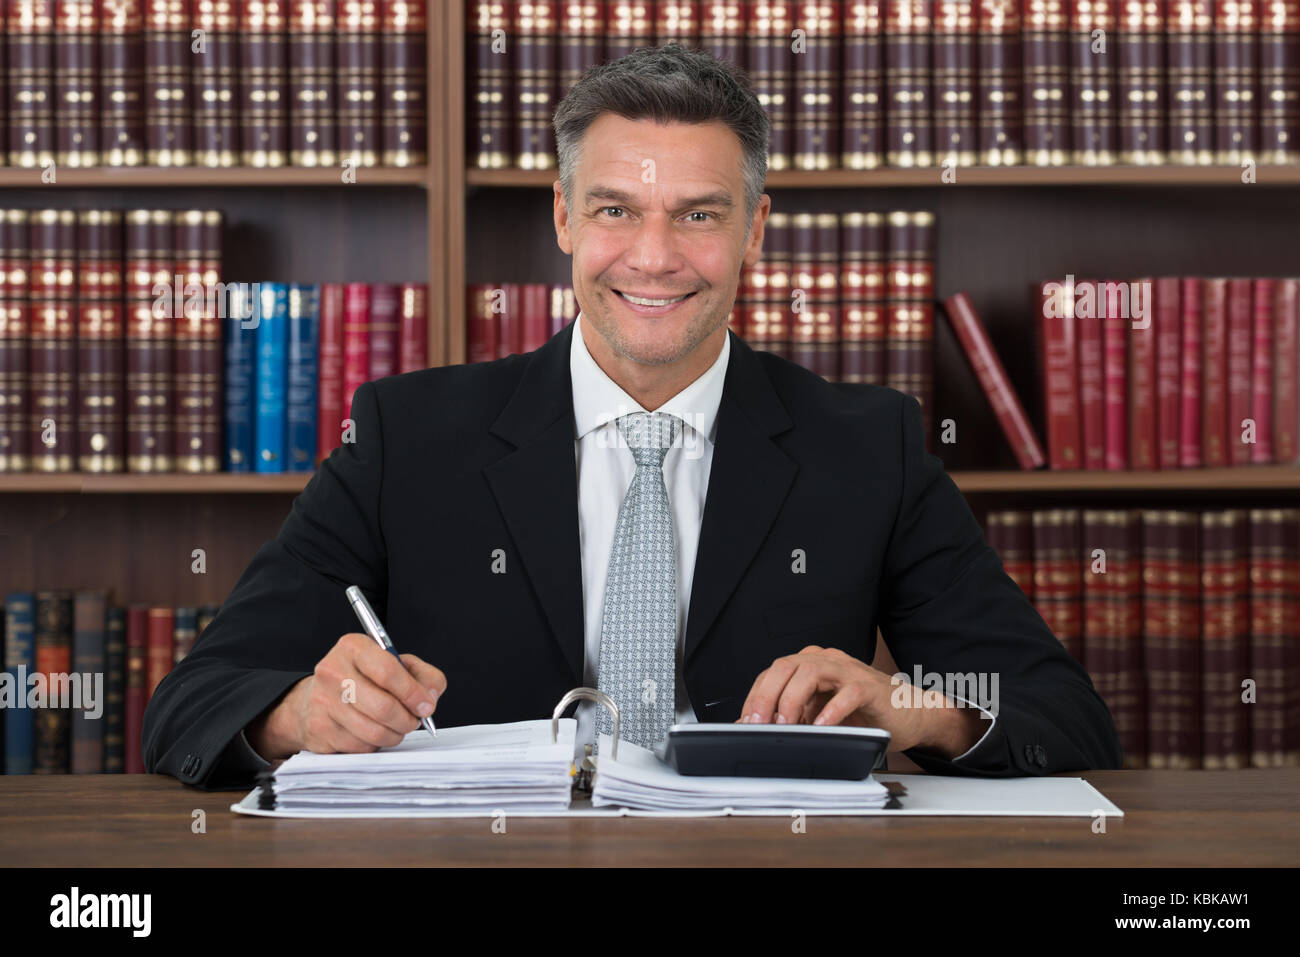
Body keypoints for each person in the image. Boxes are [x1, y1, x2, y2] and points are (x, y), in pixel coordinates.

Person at [143, 44, 1122, 789]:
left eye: (697, 214)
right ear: (564, 219)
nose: (653, 258)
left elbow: (1064, 718)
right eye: (615, 211)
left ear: (754, 230)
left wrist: (912, 708)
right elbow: (188, 704)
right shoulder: (405, 434)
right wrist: (295, 717)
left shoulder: (869, 443)